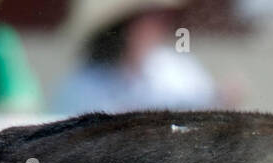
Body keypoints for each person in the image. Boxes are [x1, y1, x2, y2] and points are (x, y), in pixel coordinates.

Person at [50, 0, 217, 116]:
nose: (161, 24)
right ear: (122, 26)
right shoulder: (82, 87)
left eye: (162, 16)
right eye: (150, 16)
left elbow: (204, 110)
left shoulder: (181, 70)